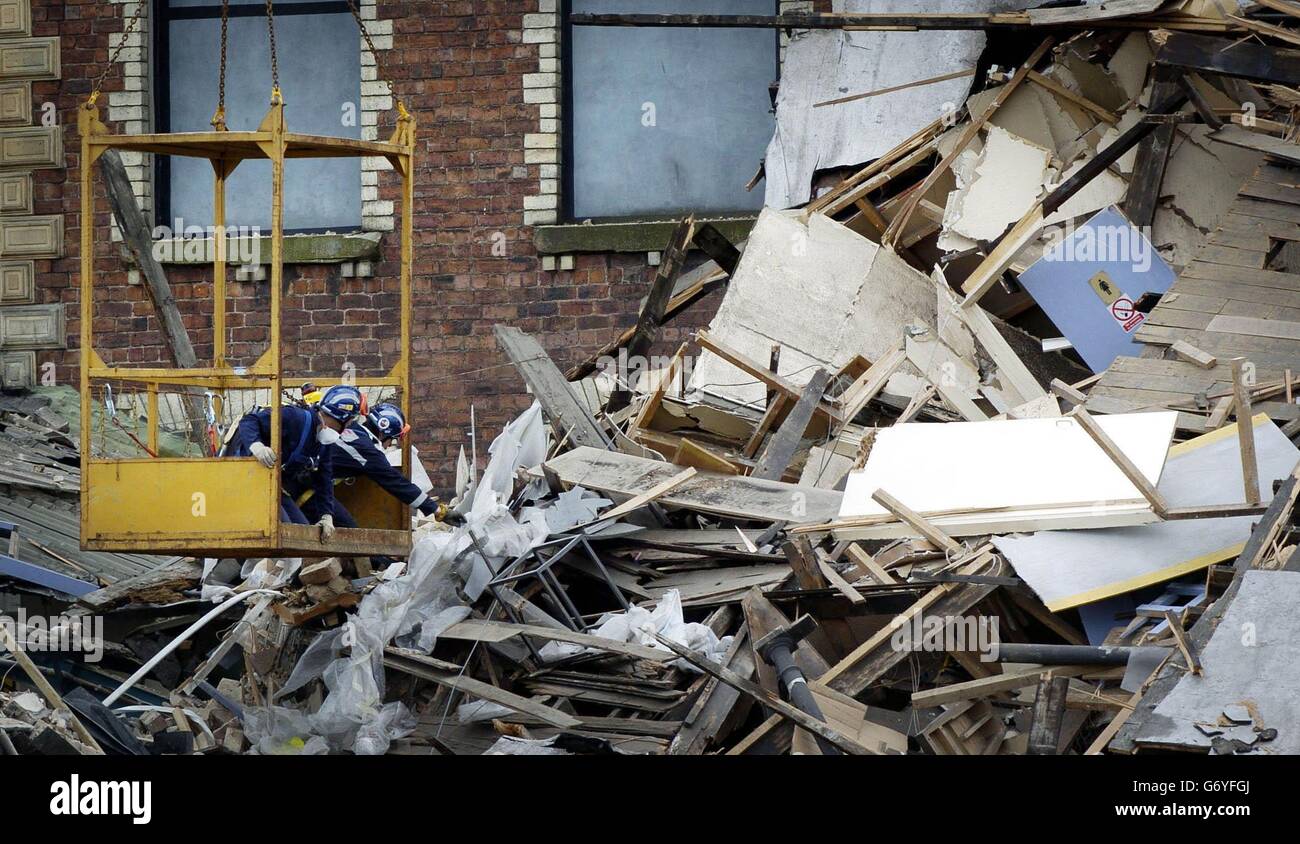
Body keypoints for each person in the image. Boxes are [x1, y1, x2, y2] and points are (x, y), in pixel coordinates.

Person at [228, 384, 366, 541]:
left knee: (302, 535)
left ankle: (261, 566)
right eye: (348, 423)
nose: (348, 427)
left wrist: (326, 515)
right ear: (339, 417)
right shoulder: (295, 418)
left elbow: (324, 479)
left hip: (274, 487)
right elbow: (249, 421)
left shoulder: (323, 442)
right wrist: (256, 446)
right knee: (286, 537)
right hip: (248, 479)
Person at [300, 402, 444, 528]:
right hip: (303, 488)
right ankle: (374, 560)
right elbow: (396, 482)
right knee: (349, 532)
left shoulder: (356, 432)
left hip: (307, 482)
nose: (388, 446)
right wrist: (436, 510)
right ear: (383, 432)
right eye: (392, 440)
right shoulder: (366, 449)